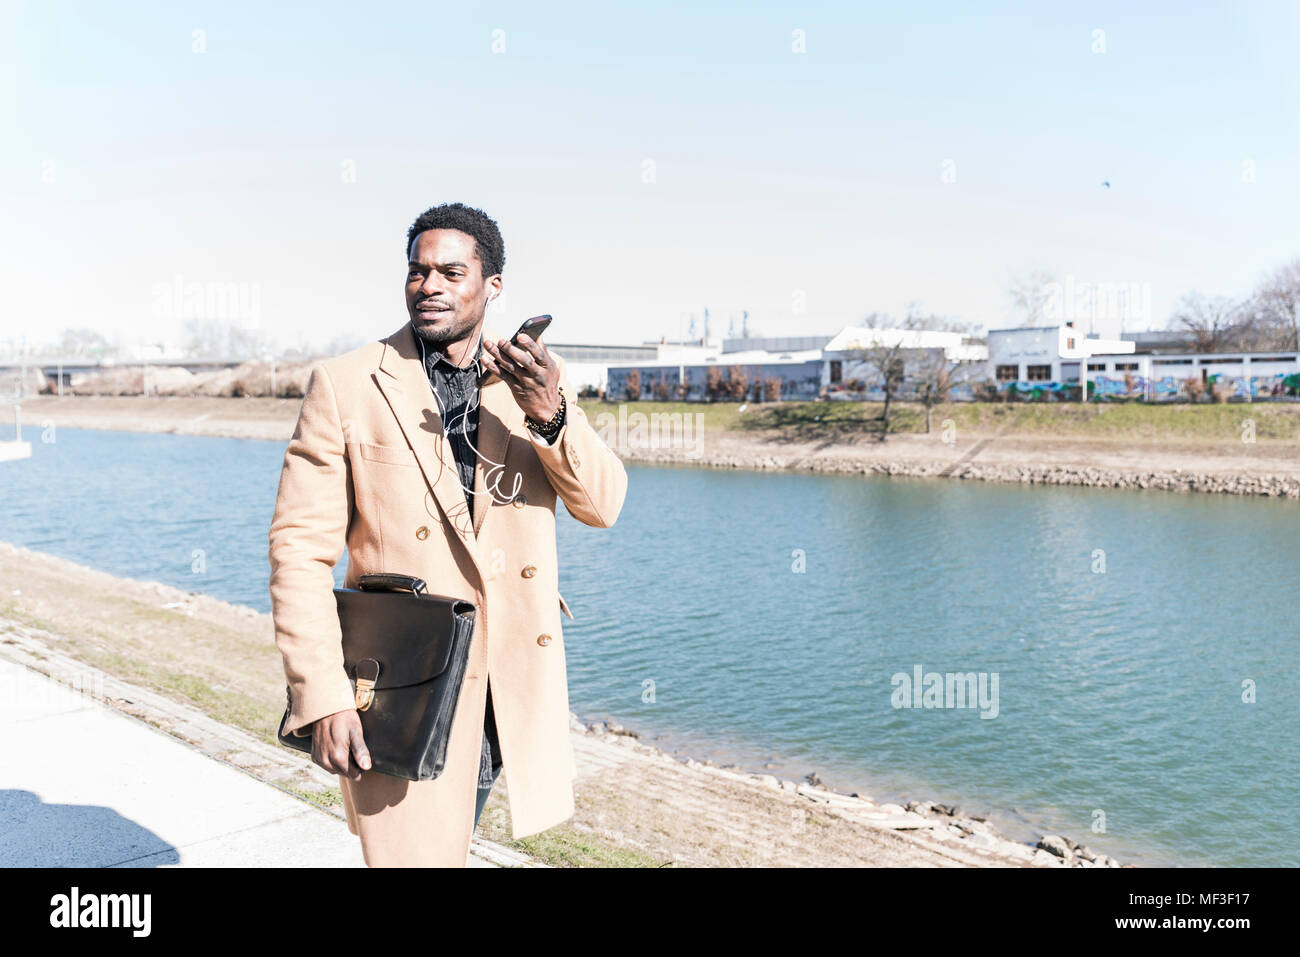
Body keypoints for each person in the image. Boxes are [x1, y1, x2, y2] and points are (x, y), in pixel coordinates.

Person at [268, 202, 628, 866]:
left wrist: (551, 414)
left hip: (508, 684)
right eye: (418, 270)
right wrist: (321, 694)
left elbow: (602, 505)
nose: (429, 285)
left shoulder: (529, 386)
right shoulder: (346, 384)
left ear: (492, 286)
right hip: (407, 684)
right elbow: (298, 552)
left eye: (451, 272)